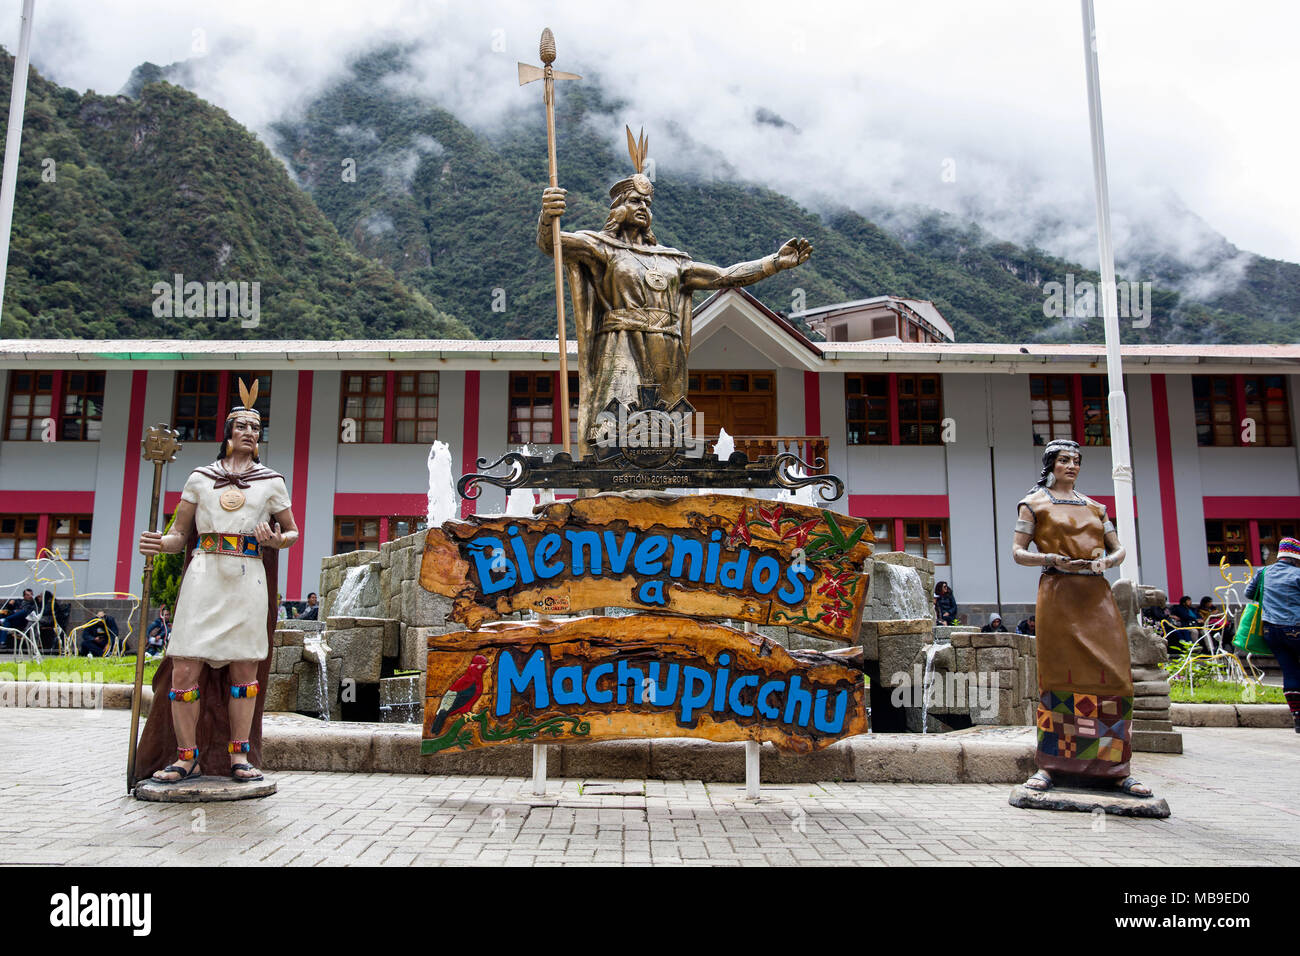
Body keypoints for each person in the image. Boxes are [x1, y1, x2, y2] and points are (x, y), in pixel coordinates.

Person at [538, 128, 812, 454]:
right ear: (618, 207)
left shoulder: (672, 259)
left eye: (647, 203)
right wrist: (547, 216)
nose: (643, 207)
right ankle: (615, 481)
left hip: (666, 345)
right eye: (635, 201)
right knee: (618, 420)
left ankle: (658, 483)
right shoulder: (601, 247)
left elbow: (724, 276)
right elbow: (553, 244)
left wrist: (774, 263)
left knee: (665, 427)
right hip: (622, 340)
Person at [136, 378, 298, 783]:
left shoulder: (271, 481)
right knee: (184, 670)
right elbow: (180, 535)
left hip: (247, 577)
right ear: (227, 433)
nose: (248, 433)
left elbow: (292, 532)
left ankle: (239, 756)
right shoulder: (199, 478)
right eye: (241, 426)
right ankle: (185, 756)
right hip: (204, 574)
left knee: (245, 672)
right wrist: (160, 542)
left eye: (255, 428)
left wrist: (277, 540)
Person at [1011, 438, 1151, 797]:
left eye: (1075, 460)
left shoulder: (1095, 507)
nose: (1071, 466)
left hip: (1096, 594)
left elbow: (1118, 549)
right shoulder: (1034, 504)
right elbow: (1017, 552)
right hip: (1059, 593)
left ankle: (1117, 767)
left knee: (1115, 678)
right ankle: (1052, 766)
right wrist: (1050, 560)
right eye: (1063, 460)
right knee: (1059, 678)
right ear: (1050, 464)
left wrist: (1108, 561)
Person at [1246, 537, 1300, 733]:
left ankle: (1297, 719)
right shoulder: (1298, 574)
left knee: (1290, 671)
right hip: (1296, 628)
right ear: (1295, 557)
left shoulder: (1264, 572)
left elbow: (1249, 593)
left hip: (1271, 630)